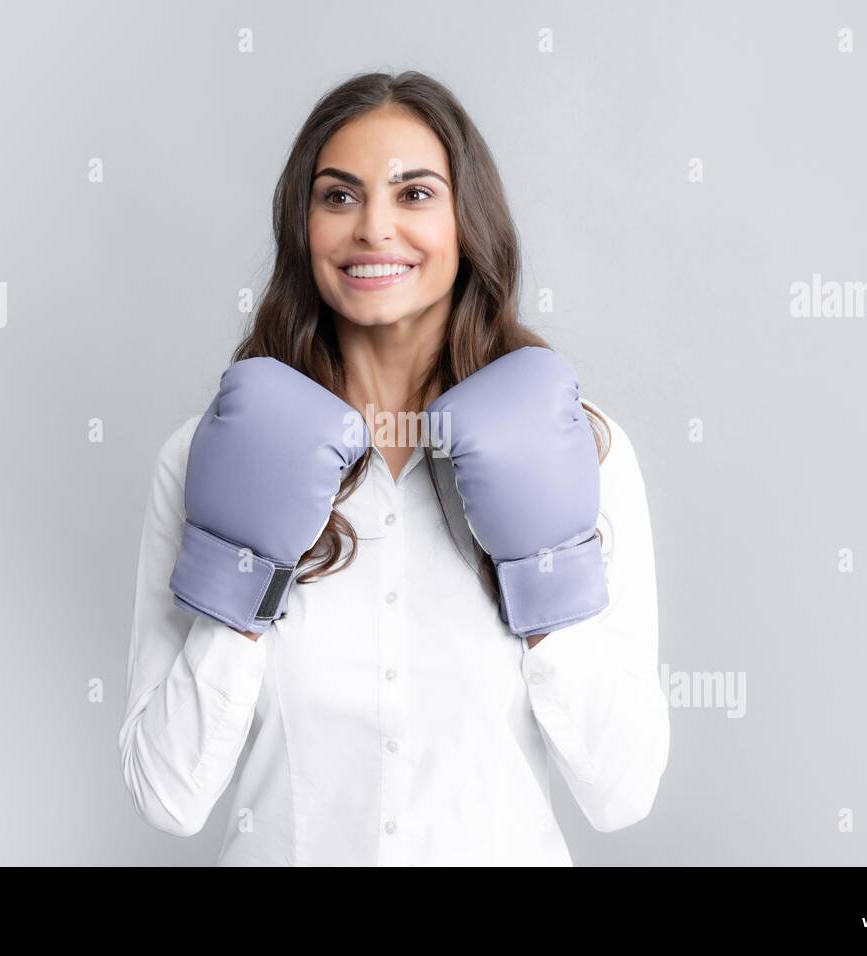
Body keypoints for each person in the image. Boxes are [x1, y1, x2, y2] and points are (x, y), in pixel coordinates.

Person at [117, 70, 669, 865]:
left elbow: (622, 793)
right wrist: (243, 580)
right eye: (339, 196)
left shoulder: (586, 451)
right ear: (302, 226)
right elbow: (166, 796)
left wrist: (542, 575)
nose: (374, 228)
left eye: (414, 194)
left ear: (467, 221)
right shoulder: (204, 455)